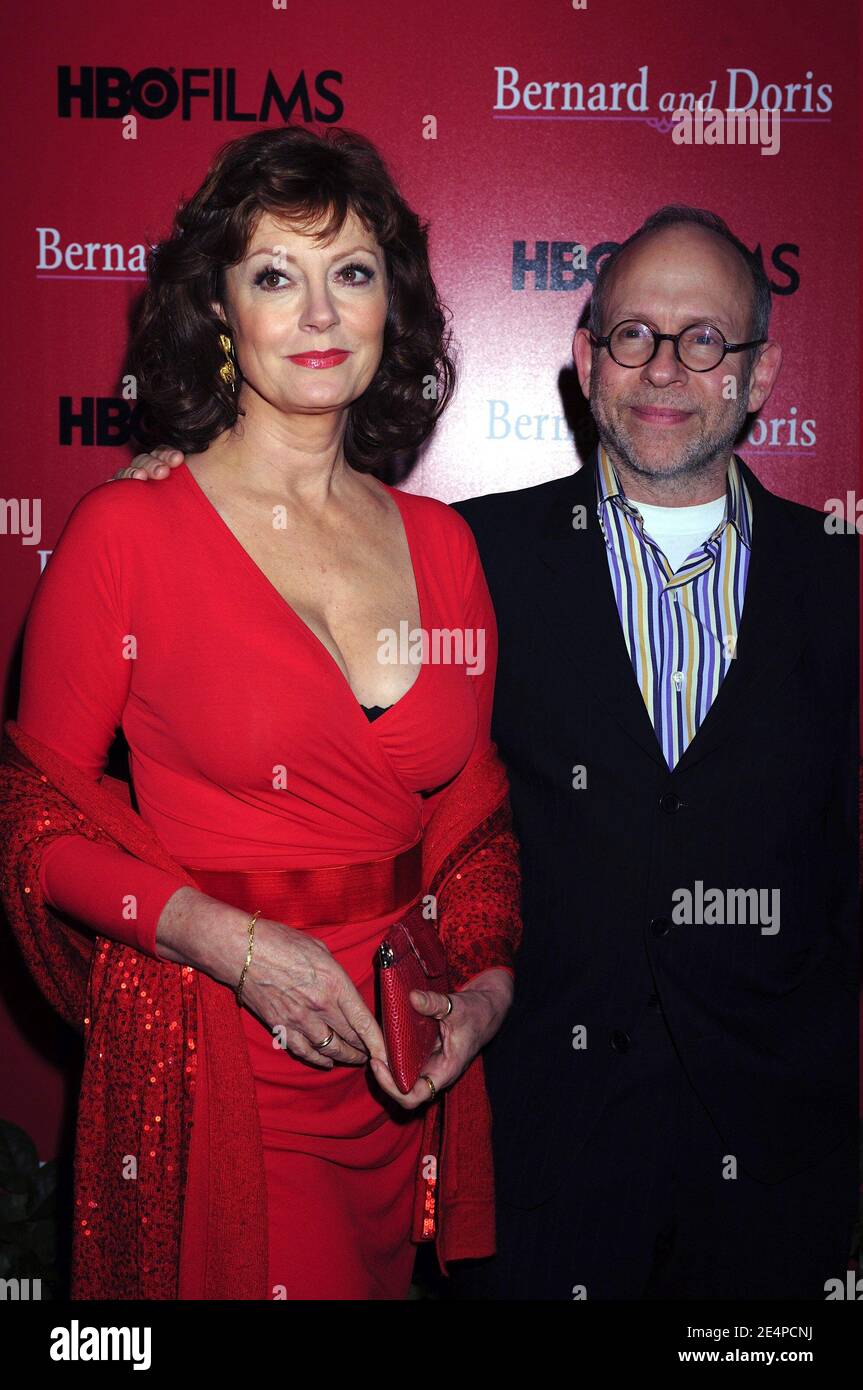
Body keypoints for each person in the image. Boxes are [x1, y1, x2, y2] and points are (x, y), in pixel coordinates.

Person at [130, 203, 858, 1301]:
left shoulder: (842, 582)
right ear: (583, 361)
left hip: (775, 1176)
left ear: (754, 378)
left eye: (703, 339)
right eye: (631, 335)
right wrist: (179, 491)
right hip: (540, 1165)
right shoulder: (465, 557)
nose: (663, 367)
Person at [0, 124, 522, 1300]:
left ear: (395, 305)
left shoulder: (443, 546)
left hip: (396, 1069)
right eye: (275, 276)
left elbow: (470, 820)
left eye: (352, 272)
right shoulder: (124, 533)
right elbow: (31, 823)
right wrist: (231, 945)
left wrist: (481, 994)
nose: (320, 312)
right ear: (219, 312)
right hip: (221, 1058)